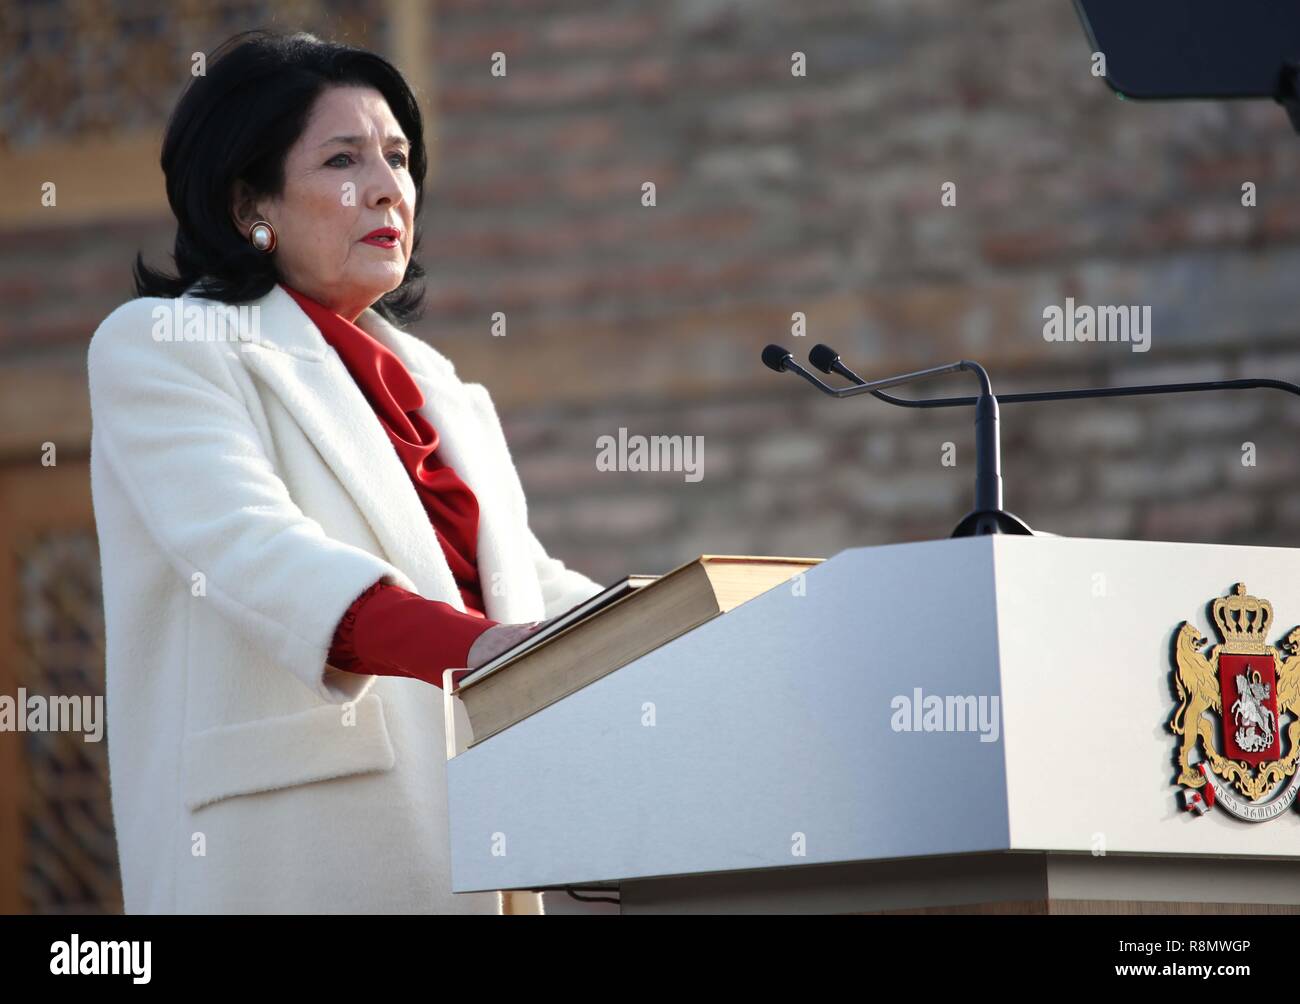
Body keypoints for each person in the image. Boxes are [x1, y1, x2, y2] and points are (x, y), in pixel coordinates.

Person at [87, 28, 605, 914]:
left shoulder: (442, 388)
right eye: (342, 160)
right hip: (284, 856)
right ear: (253, 200)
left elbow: (525, 587)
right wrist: (470, 648)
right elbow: (253, 550)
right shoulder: (165, 346)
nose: (386, 188)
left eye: (399, 158)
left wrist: (690, 621)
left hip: (478, 849)